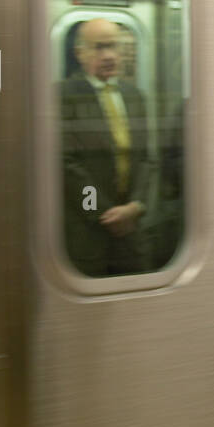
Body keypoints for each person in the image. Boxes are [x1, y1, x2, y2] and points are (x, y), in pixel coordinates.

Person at [60, 18, 151, 276]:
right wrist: (103, 213)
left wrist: (136, 207)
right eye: (99, 47)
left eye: (113, 46)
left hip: (131, 233)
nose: (109, 55)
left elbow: (147, 159)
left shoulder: (134, 96)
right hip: (88, 234)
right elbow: (66, 165)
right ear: (80, 53)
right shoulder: (64, 95)